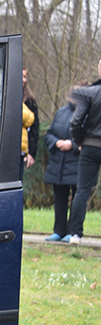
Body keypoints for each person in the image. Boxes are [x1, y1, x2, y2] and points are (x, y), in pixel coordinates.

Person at [41, 83, 85, 241]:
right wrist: (57, 142)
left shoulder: (89, 113)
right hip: (58, 162)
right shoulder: (61, 112)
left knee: (77, 198)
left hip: (77, 163)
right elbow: (49, 134)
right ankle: (59, 231)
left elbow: (89, 137)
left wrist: (72, 144)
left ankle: (74, 232)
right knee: (59, 198)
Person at [66, 59, 101, 243]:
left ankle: (75, 234)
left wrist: (80, 141)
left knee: (83, 190)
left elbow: (75, 121)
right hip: (91, 144)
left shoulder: (90, 94)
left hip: (91, 146)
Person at [23, 69, 39, 178]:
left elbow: (35, 128)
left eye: (25, 77)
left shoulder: (29, 100)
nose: (24, 80)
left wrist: (31, 153)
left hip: (23, 149)